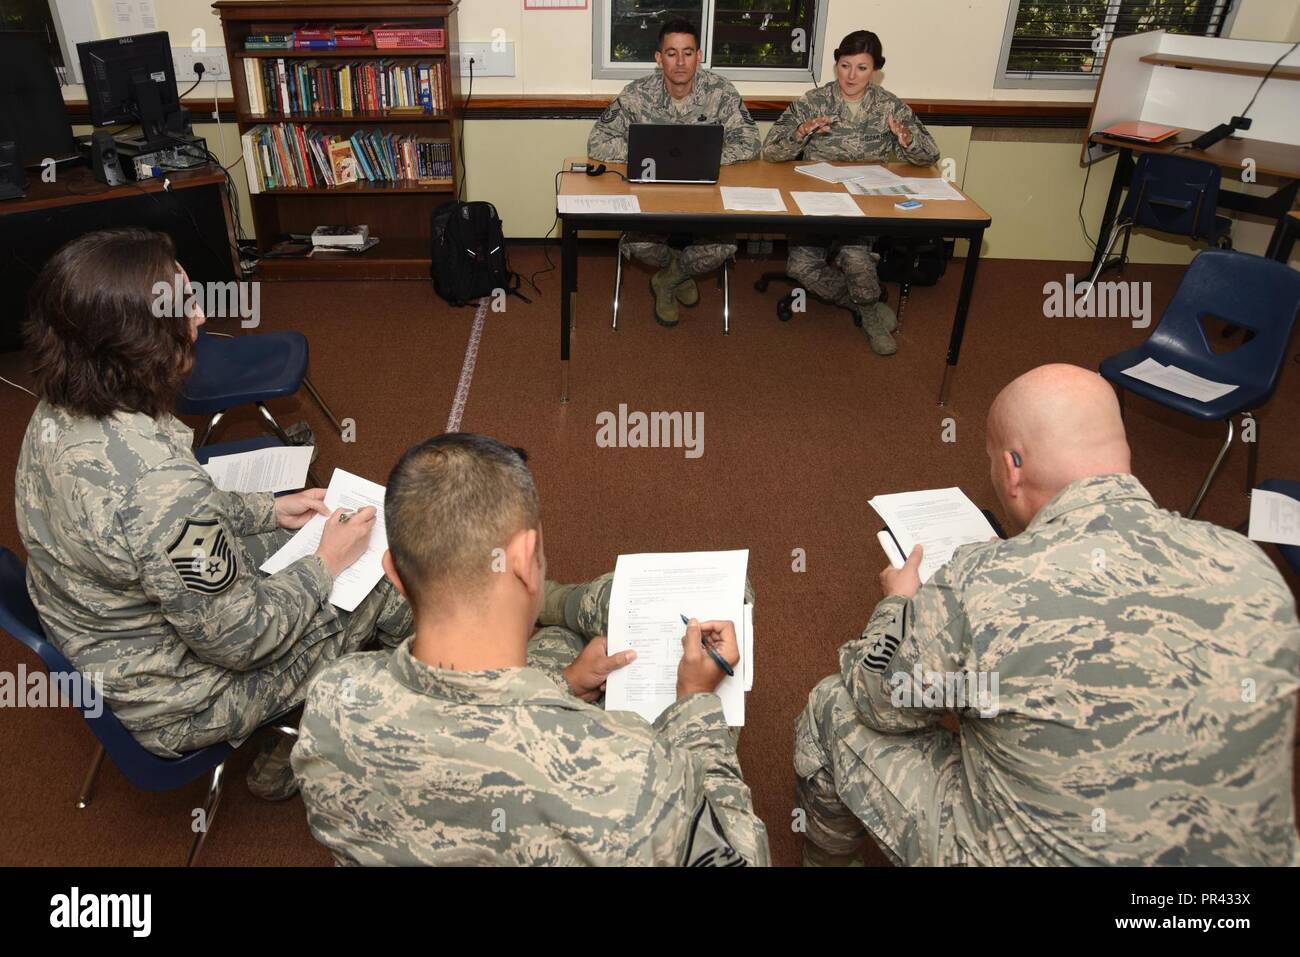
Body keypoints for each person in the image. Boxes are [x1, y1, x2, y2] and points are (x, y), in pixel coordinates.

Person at [794, 363, 1300, 865]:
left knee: (832, 704)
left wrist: (897, 604)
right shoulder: (1251, 566)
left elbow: (878, 699)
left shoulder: (982, 582)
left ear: (1013, 467)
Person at [14, 227, 413, 800]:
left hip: (108, 643)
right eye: (185, 307)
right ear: (140, 340)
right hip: (183, 698)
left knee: (323, 543)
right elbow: (244, 639)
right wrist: (326, 563)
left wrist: (268, 510)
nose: (201, 317)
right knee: (374, 569)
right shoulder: (159, 487)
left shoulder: (62, 405)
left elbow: (145, 527)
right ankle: (455, 671)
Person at [291, 433, 770, 866]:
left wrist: (560, 685)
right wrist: (695, 703)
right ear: (524, 561)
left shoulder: (332, 701)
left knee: (559, 643)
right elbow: (740, 857)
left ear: (393, 572)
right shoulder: (627, 770)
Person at [762, 30, 940, 356]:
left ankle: (869, 313)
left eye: (861, 68)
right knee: (800, 269)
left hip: (863, 207)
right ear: (836, 65)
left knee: (856, 259)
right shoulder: (814, 102)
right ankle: (862, 304)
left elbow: (930, 156)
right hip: (814, 204)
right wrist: (800, 133)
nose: (851, 76)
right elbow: (771, 152)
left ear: (874, 70)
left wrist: (907, 141)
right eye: (845, 66)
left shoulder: (888, 106)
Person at [588, 18, 760, 328]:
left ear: (699, 55)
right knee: (637, 244)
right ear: (658, 58)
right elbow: (597, 141)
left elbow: (750, 142)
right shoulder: (636, 93)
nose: (680, 62)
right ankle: (678, 271)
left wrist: (703, 159)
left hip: (708, 195)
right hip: (652, 195)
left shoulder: (720, 92)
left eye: (688, 52)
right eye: (671, 53)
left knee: (723, 247)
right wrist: (643, 155)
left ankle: (668, 279)